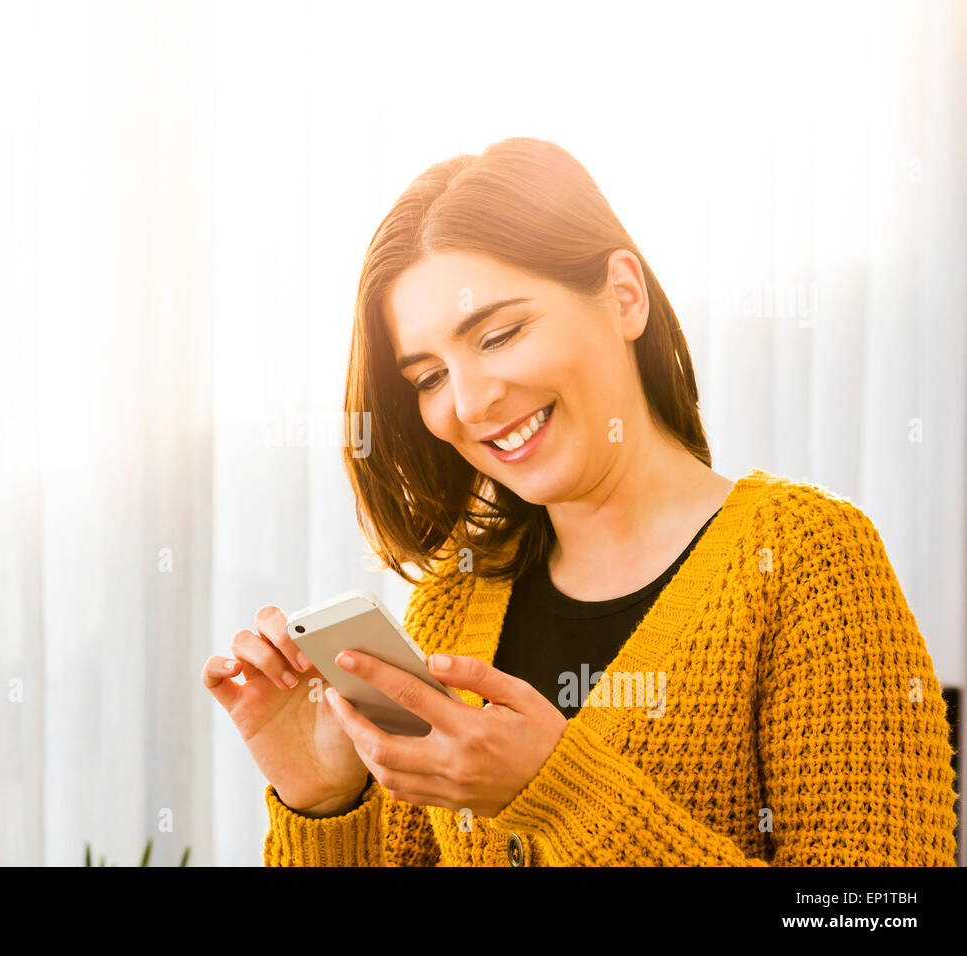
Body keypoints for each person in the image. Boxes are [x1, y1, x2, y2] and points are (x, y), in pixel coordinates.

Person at [201, 137, 959, 866]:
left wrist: (557, 793)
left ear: (623, 296)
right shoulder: (453, 607)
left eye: (498, 334)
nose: (468, 402)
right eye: (429, 376)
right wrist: (325, 802)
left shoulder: (804, 558)